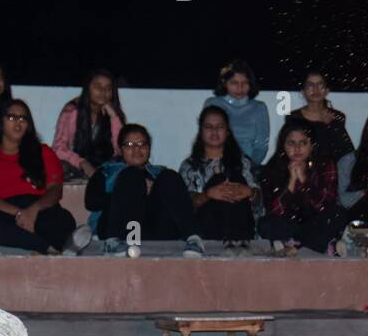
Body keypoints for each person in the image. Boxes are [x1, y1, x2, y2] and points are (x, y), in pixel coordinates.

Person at [0, 99, 81, 255]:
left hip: (38, 209)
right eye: (11, 117)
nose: (17, 122)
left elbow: (55, 190)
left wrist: (33, 211)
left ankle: (40, 242)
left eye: (23, 118)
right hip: (4, 211)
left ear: (28, 124)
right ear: (1, 122)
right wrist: (19, 214)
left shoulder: (43, 152)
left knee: (64, 220)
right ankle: (46, 247)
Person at [85, 124, 204, 257]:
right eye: (129, 144)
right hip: (123, 231)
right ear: (120, 149)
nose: (137, 149)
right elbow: (91, 202)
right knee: (131, 175)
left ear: (149, 148)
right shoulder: (106, 171)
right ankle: (113, 243)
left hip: (154, 229)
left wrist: (151, 193)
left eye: (142, 144)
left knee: (170, 176)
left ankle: (194, 239)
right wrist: (129, 193)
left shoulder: (159, 173)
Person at [178, 107, 263, 251]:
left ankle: (236, 245)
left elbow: (260, 204)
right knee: (218, 180)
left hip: (241, 228)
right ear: (201, 131)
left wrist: (249, 192)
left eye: (220, 127)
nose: (214, 131)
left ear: (228, 131)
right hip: (206, 231)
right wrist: (209, 194)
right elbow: (184, 207)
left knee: (235, 177)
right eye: (208, 127)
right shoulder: (190, 166)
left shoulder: (244, 163)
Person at [260, 121, 347, 256]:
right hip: (289, 223)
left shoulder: (325, 164)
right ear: (283, 146)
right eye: (291, 143)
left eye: (303, 143)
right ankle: (319, 245)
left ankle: (293, 245)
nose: (297, 148)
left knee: (337, 215)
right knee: (266, 225)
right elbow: (274, 210)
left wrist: (304, 181)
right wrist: (291, 181)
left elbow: (325, 205)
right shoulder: (272, 168)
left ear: (312, 145)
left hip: (316, 221)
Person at [52, 69, 126, 180]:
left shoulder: (114, 115)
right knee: (60, 166)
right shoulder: (72, 110)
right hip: (77, 168)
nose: (103, 91)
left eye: (108, 88)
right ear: (87, 88)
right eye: (98, 86)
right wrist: (82, 163)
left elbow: (121, 150)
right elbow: (58, 148)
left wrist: (114, 117)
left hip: (105, 170)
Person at [203, 59, 270, 167]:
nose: (240, 88)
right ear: (224, 83)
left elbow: (261, 146)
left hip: (247, 165)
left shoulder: (259, 107)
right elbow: (206, 139)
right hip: (216, 163)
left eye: (244, 83)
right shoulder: (213, 104)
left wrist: (248, 167)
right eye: (234, 83)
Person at [285, 69, 353, 162]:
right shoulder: (294, 117)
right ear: (303, 92)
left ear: (326, 91)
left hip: (331, 170)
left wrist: (331, 125)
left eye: (320, 84)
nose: (315, 89)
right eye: (310, 85)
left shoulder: (336, 116)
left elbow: (346, 151)